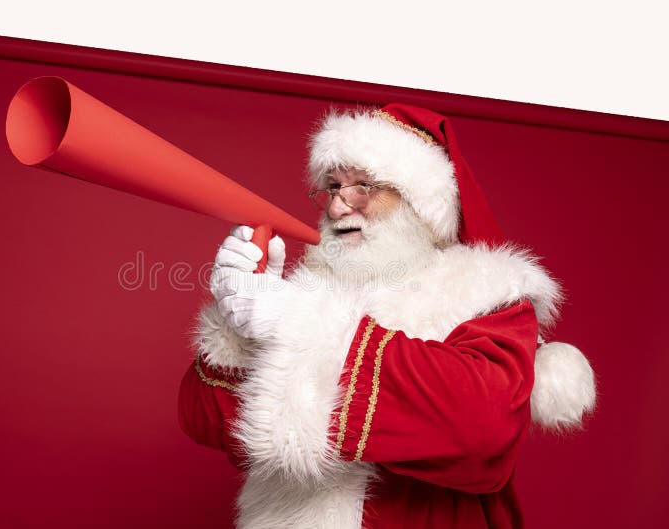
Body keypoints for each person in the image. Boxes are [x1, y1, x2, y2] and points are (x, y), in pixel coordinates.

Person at [178, 104, 596, 528]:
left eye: (364, 186)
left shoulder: (487, 294)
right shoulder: (310, 289)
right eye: (333, 187)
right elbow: (202, 418)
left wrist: (301, 323)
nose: (339, 207)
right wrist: (242, 324)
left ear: (420, 204)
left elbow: (483, 433)